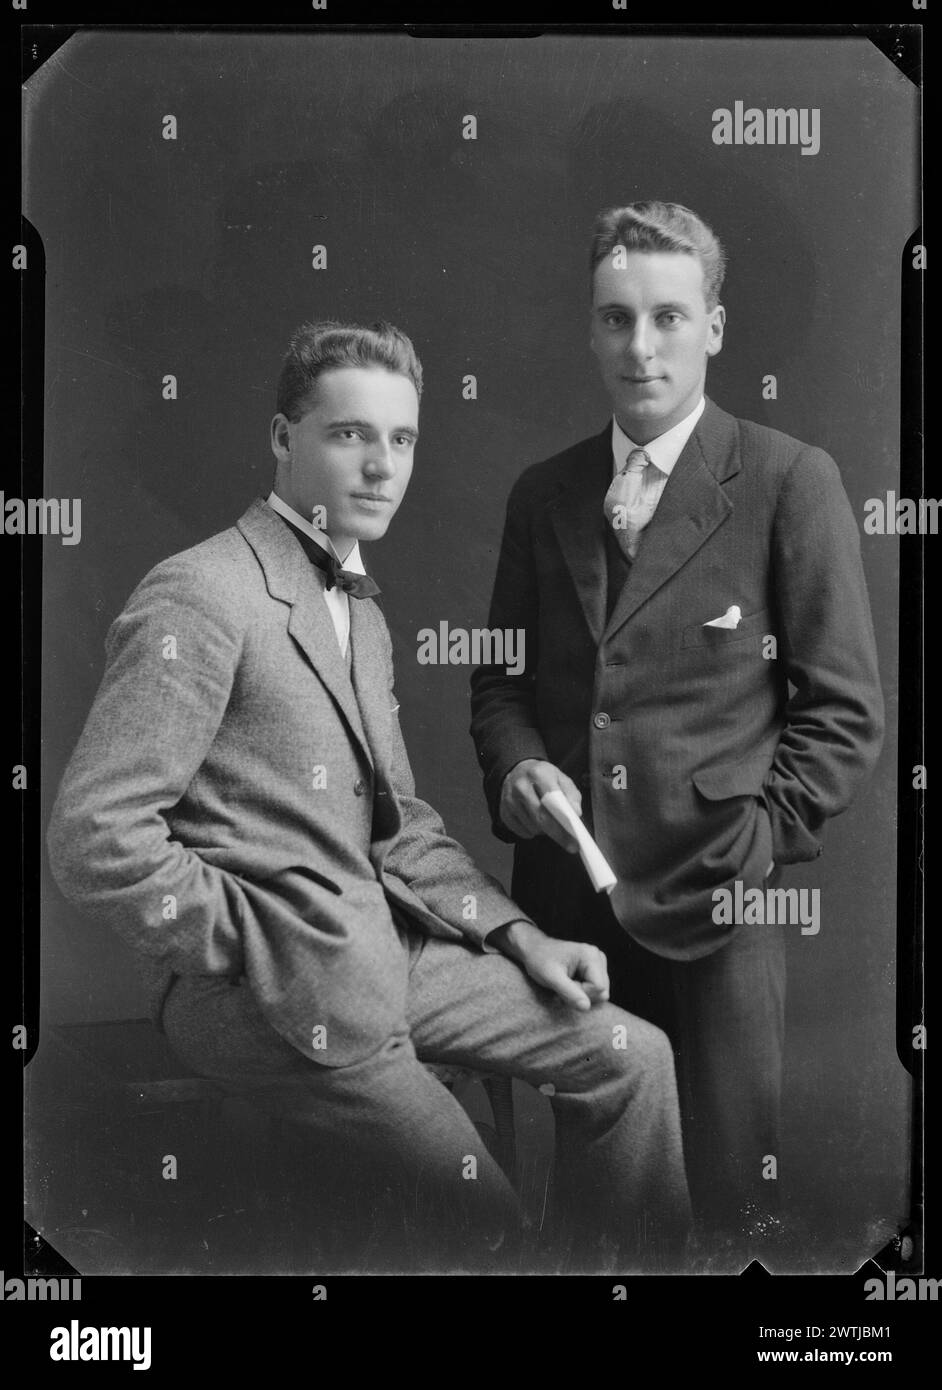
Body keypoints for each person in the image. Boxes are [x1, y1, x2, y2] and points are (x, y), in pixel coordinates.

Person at [46, 318, 690, 1272]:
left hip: (392, 954)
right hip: (259, 994)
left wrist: (521, 938)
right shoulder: (200, 595)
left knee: (634, 1060)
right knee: (491, 1229)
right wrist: (265, 940)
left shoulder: (364, 616)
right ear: (282, 441)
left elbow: (401, 831)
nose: (383, 466)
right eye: (350, 434)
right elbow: (97, 839)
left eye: (402, 439)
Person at [469, 203, 884, 1262]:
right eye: (616, 319)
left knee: (727, 1204)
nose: (639, 347)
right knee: (601, 1209)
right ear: (591, 329)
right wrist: (517, 766)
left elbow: (843, 712)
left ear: (715, 327)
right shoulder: (544, 492)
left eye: (666, 316)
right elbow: (500, 688)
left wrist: (755, 839)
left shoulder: (791, 480)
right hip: (568, 901)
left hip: (717, 905)